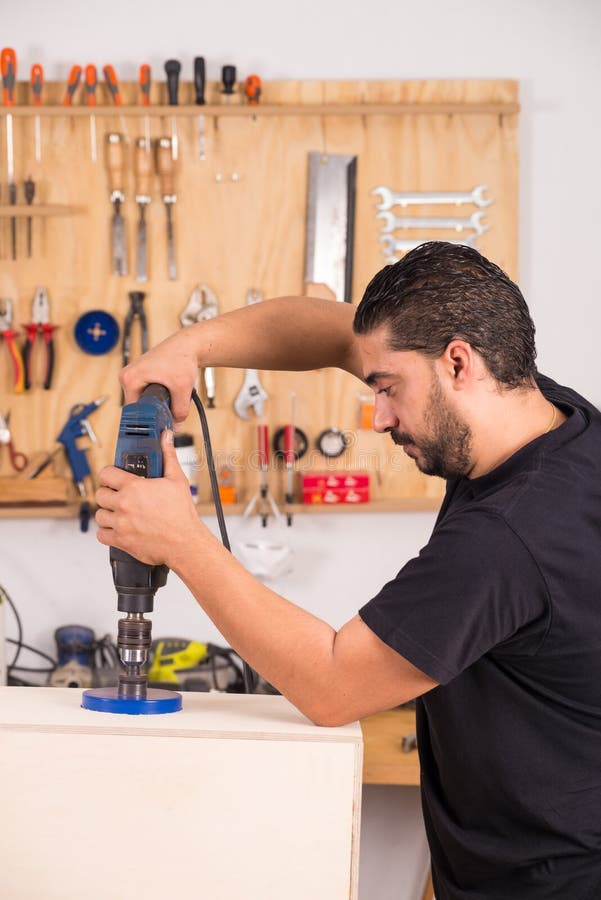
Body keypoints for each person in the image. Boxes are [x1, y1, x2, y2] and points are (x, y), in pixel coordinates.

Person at [95, 242, 601, 900]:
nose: (378, 417)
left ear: (457, 361)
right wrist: (191, 347)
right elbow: (337, 330)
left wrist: (180, 540)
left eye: (387, 391)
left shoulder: (506, 538)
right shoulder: (551, 419)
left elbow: (333, 686)